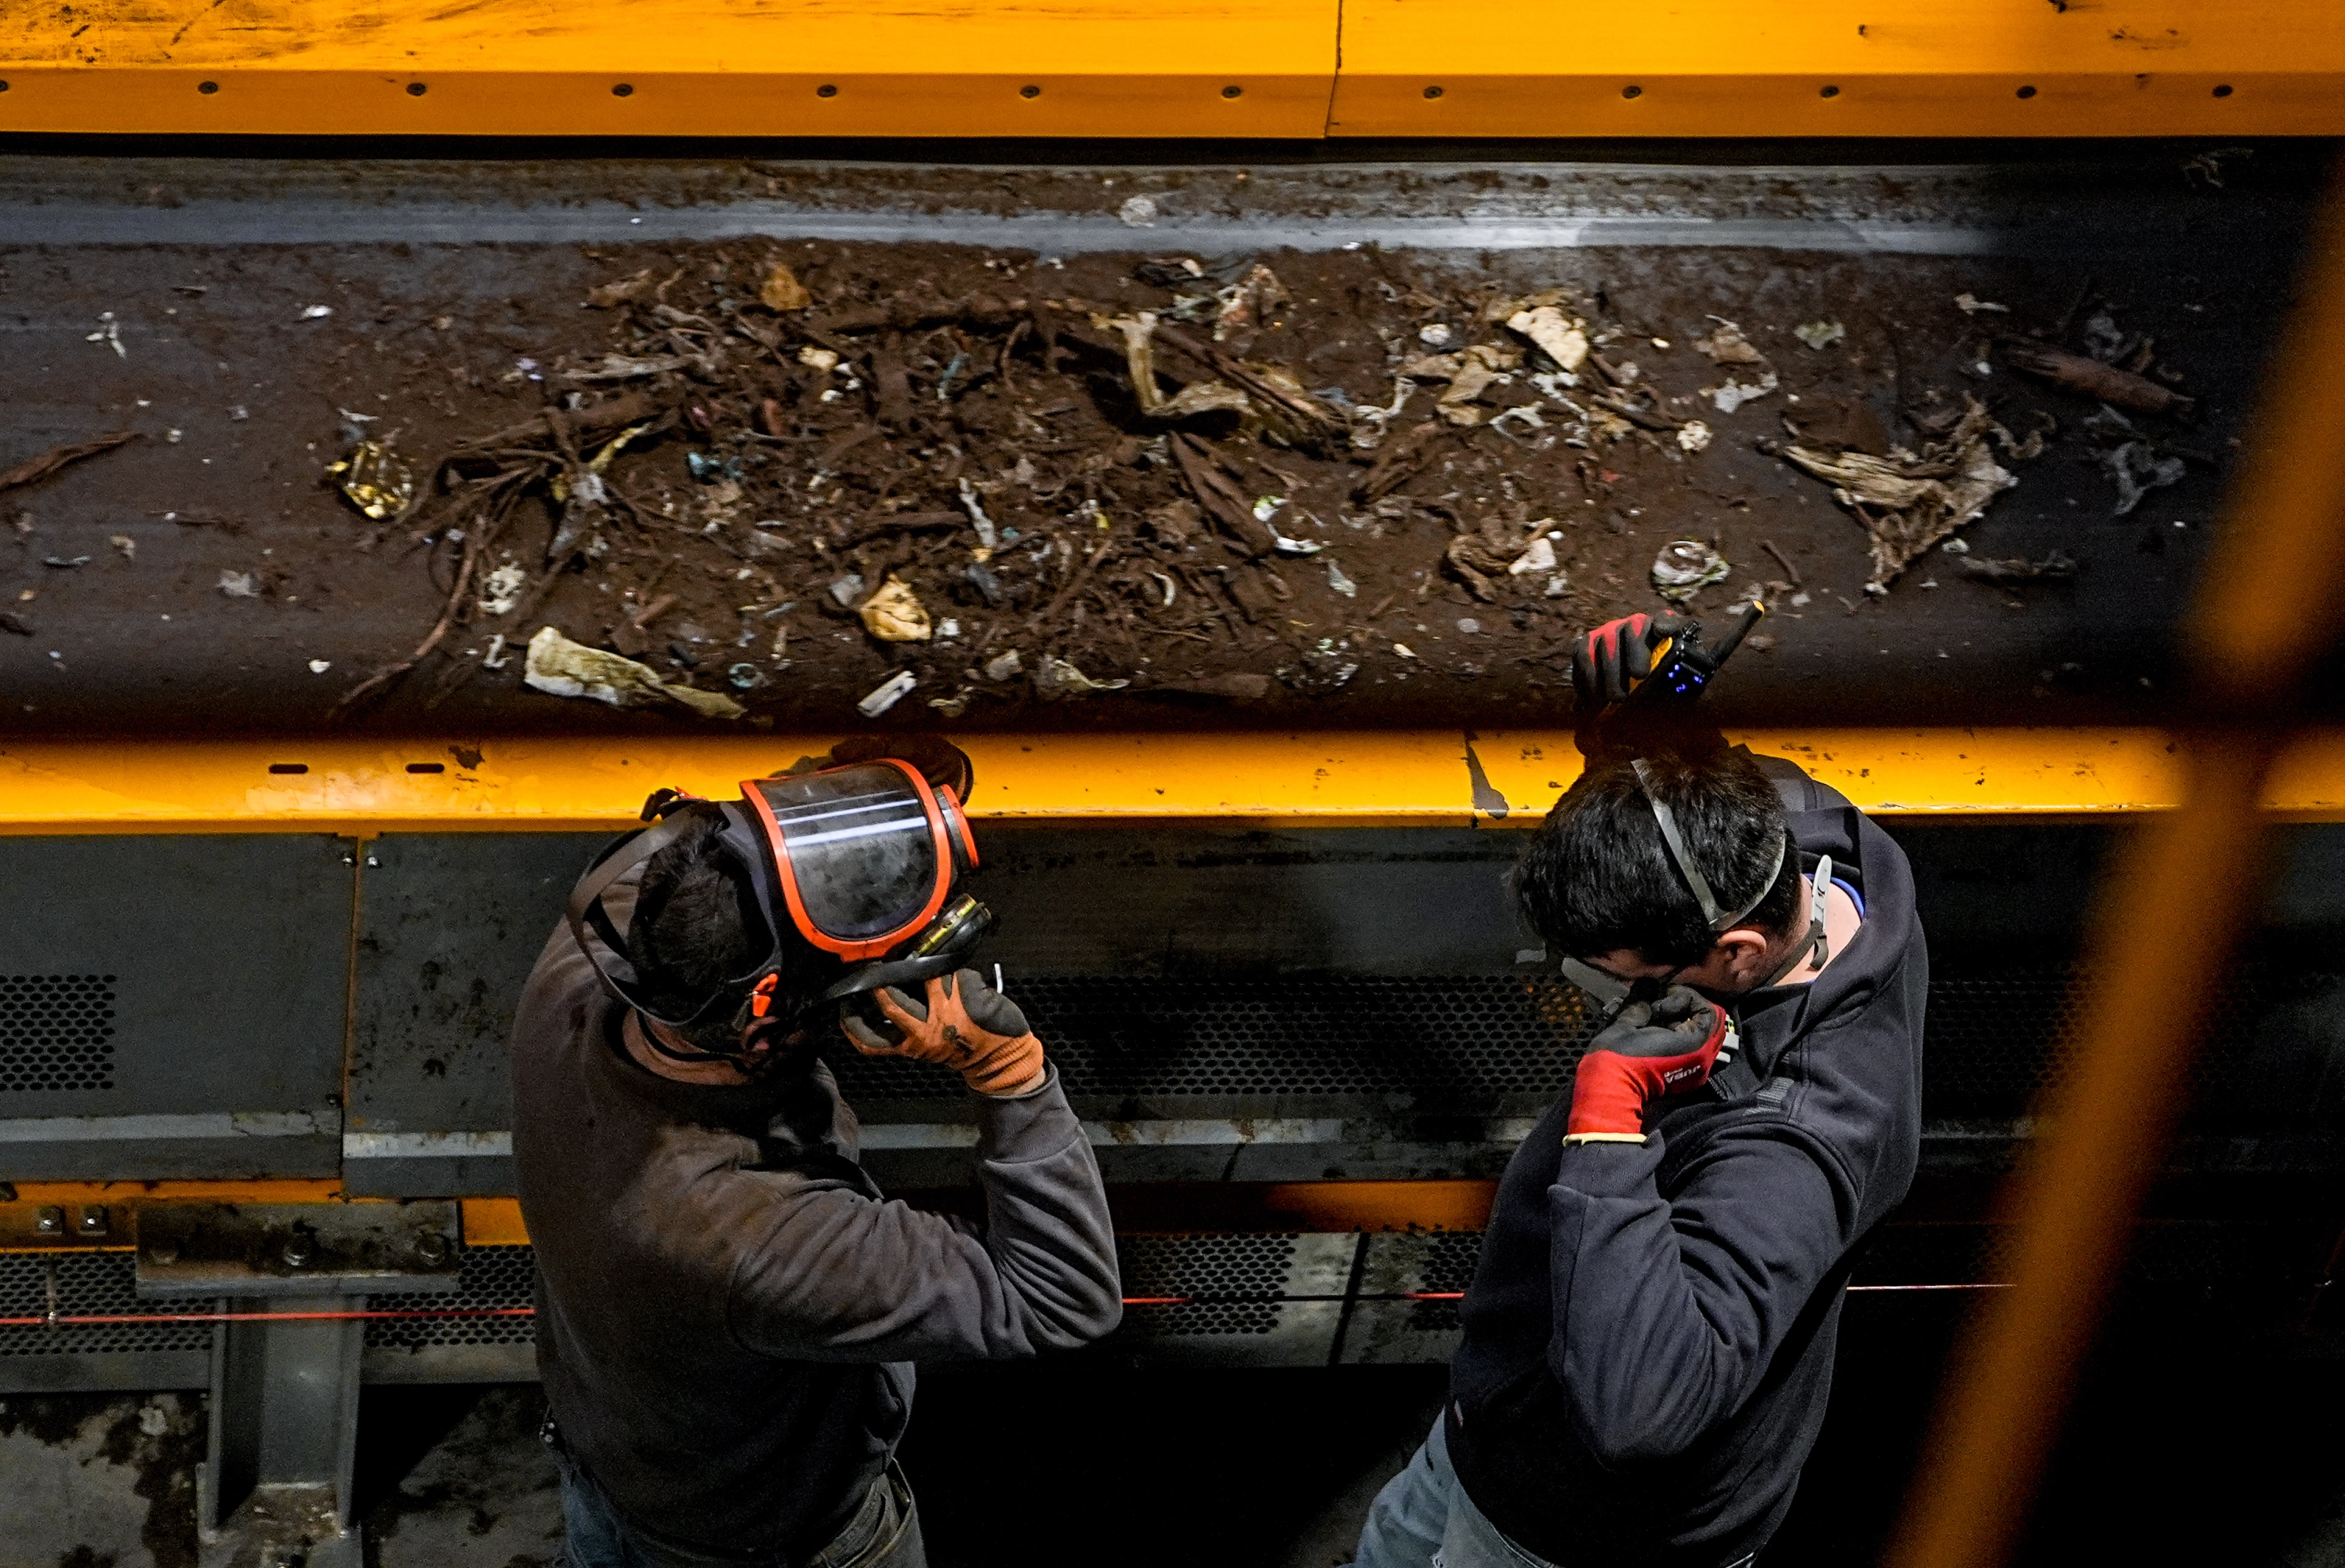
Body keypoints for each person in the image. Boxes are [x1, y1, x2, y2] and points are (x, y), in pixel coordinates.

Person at [1352, 612, 1926, 1568]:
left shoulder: (1790, 1139)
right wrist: (1648, 752)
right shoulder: (1824, 846)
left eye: (1610, 977)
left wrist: (1611, 1120)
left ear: (1734, 955)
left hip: (1582, 1532)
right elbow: (1718, 802)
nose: (1599, 998)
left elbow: (1644, 1413)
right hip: (1496, 1433)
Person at [512, 746, 1122, 1568]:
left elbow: (704, 853)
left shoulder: (581, 981)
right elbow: (1063, 1298)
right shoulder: (753, 1233)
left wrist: (823, 810)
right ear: (764, 1030)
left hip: (619, 1465)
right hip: (760, 1543)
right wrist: (1008, 1073)